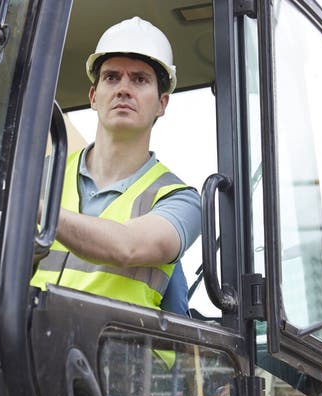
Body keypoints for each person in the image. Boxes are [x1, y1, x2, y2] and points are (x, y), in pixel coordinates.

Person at [31, 17, 200, 315]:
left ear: (162, 104)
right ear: (94, 97)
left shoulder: (180, 200)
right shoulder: (40, 174)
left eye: (139, 79)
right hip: (32, 349)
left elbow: (128, 247)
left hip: (123, 356)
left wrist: (33, 208)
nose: (123, 89)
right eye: (111, 77)